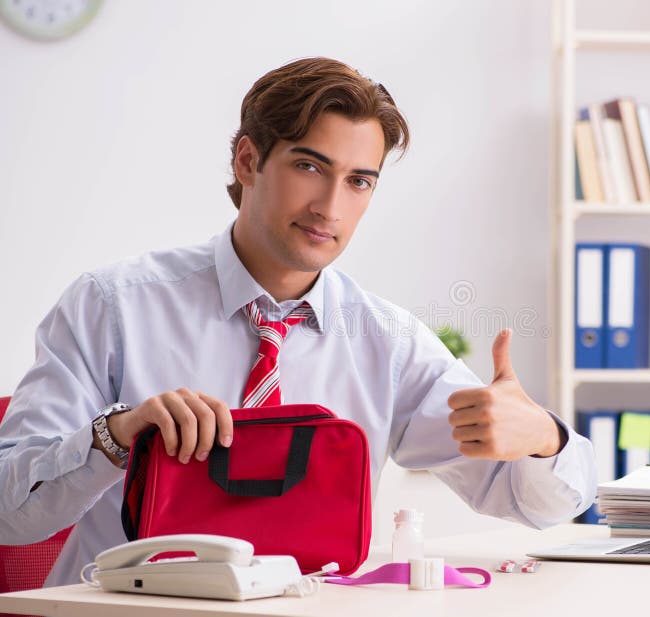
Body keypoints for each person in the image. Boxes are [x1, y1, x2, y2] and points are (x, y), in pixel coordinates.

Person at [0, 57, 596, 586]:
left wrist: (545, 439)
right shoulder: (112, 305)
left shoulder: (386, 342)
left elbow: (545, 507)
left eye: (358, 181)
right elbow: (9, 512)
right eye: (310, 167)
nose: (330, 207)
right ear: (248, 160)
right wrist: (119, 434)